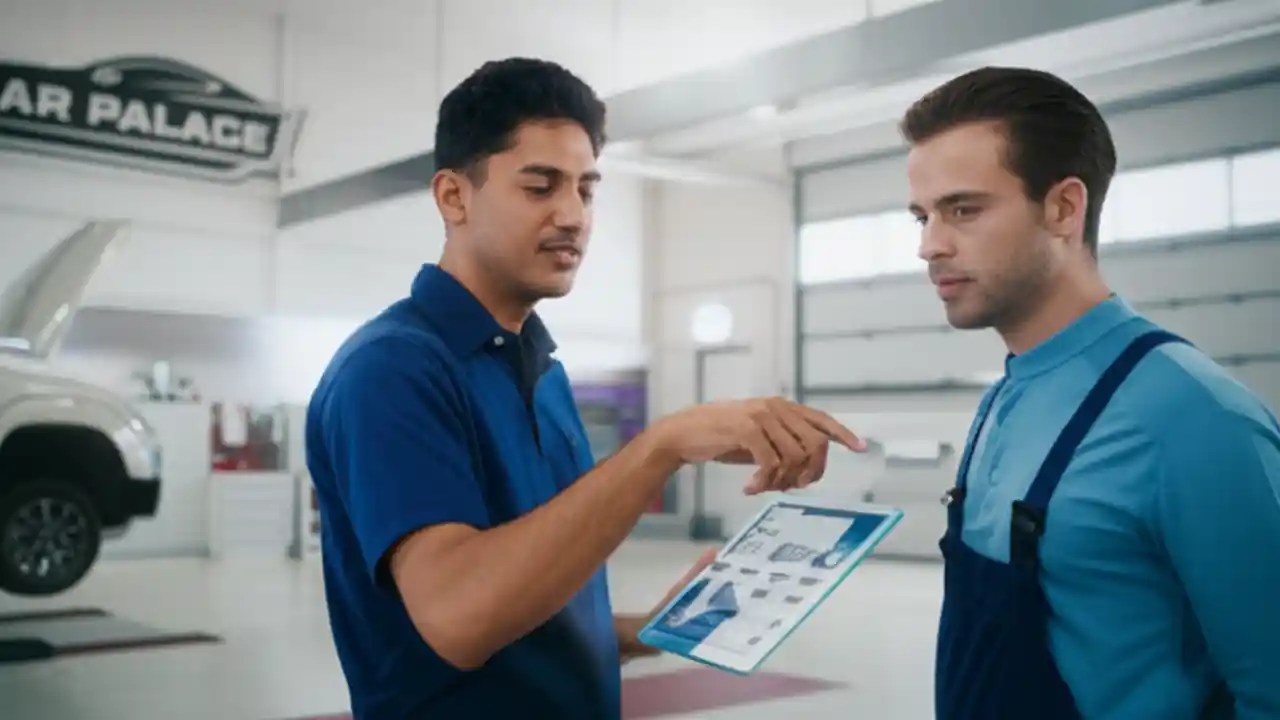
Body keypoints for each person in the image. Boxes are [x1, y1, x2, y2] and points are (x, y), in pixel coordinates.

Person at [304, 57, 864, 719]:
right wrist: (661, 447)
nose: (573, 215)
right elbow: (458, 617)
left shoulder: (542, 370)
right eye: (540, 186)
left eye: (587, 190)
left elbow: (530, 587)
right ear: (454, 197)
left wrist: (645, 626)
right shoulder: (392, 371)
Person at [900, 66, 1280, 720]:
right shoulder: (1001, 402)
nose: (929, 245)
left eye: (963, 209)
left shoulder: (1194, 419)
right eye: (923, 215)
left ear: (1063, 208)